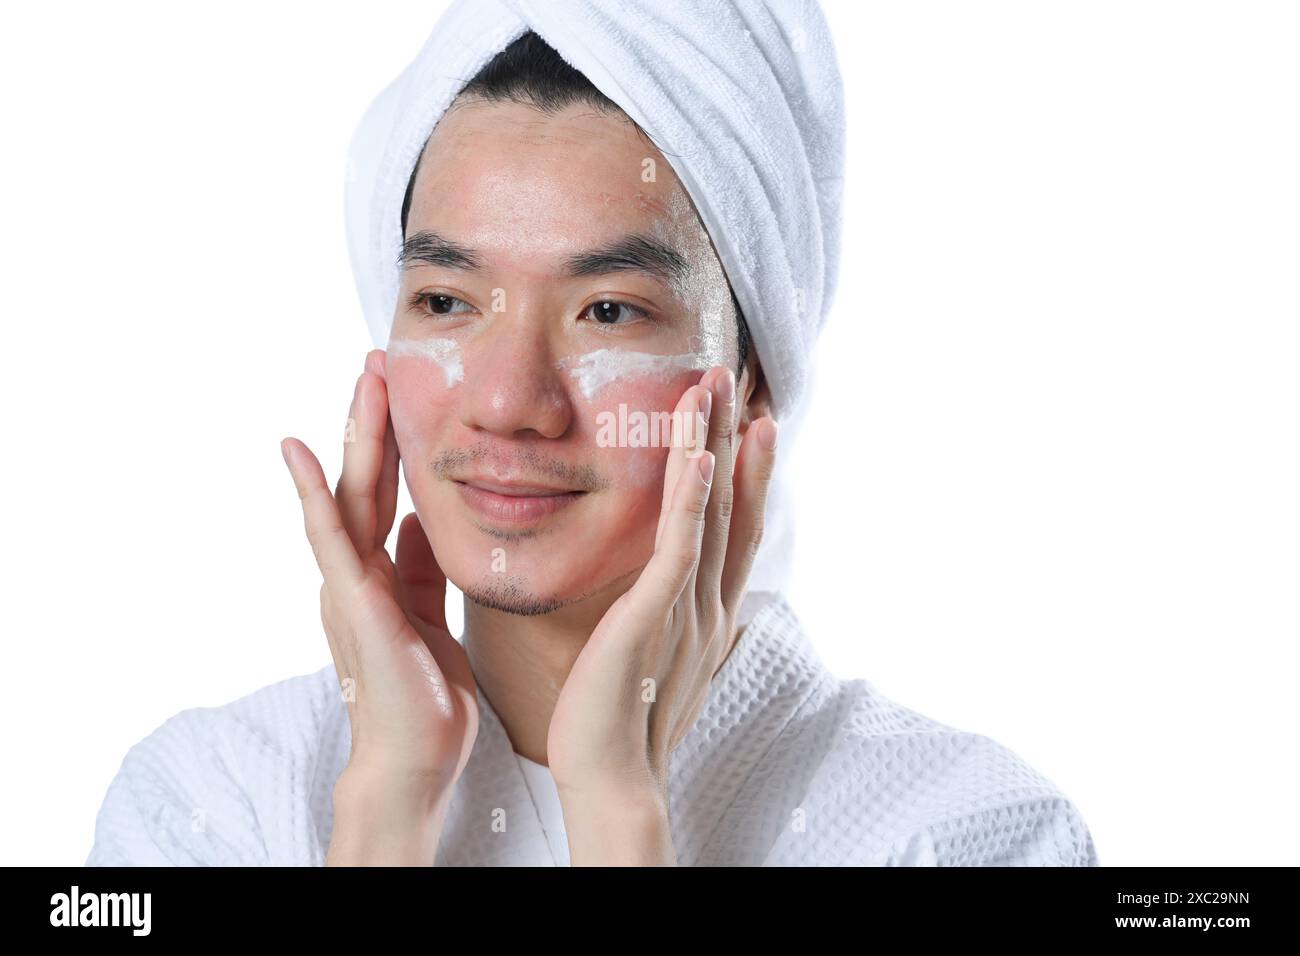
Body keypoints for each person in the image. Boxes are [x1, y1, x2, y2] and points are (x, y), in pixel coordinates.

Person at [86, 3, 1099, 867]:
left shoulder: (959, 832)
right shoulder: (211, 800)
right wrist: (386, 809)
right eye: (447, 299)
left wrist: (619, 814)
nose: (509, 399)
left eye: (607, 311)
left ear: (751, 386)